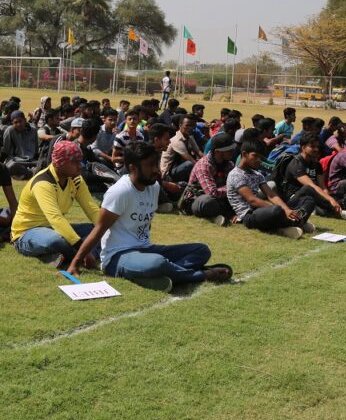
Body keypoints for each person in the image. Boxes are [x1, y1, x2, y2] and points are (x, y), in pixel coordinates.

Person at [67, 142, 232, 292]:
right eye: (150, 166)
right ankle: (199, 275)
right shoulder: (120, 192)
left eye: (156, 164)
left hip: (145, 249)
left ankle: (165, 274)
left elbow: (146, 224)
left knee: (201, 250)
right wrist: (76, 263)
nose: (156, 170)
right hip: (118, 257)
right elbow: (99, 230)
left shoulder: (153, 187)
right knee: (157, 262)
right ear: (133, 168)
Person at [11, 140, 101, 266]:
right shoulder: (43, 183)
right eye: (75, 162)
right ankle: (83, 255)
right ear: (60, 163)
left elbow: (92, 209)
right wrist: (83, 249)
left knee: (101, 230)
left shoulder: (76, 179)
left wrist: (106, 229)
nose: (80, 165)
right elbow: (56, 218)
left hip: (55, 229)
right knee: (56, 240)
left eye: (80, 161)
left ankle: (67, 256)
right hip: (27, 233)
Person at [227, 140, 315, 239]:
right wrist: (283, 211)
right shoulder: (235, 175)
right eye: (255, 156)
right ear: (244, 154)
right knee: (276, 210)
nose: (258, 160)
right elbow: (252, 200)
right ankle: (295, 223)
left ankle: (293, 222)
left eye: (260, 157)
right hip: (249, 216)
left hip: (261, 211)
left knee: (308, 200)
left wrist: (286, 209)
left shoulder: (257, 175)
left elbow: (271, 195)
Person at [279, 132, 346, 221]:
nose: (316, 149)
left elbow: (322, 186)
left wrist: (330, 197)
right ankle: (341, 213)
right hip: (294, 199)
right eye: (312, 146)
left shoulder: (317, 164)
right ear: (303, 147)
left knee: (335, 197)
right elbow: (311, 185)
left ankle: (321, 209)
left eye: (317, 147)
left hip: (312, 197)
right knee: (308, 188)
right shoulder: (296, 163)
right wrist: (330, 200)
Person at [181, 132, 237, 224]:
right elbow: (212, 192)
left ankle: (220, 215)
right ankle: (225, 214)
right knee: (206, 202)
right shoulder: (204, 165)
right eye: (229, 150)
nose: (233, 151)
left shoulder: (229, 164)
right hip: (198, 198)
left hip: (221, 196)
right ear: (217, 152)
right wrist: (233, 188)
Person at [160, 114, 203, 182]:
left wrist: (208, 160)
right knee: (191, 164)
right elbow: (190, 160)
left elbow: (198, 151)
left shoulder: (190, 137)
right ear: (180, 125)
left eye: (193, 126)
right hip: (168, 174)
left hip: (179, 167)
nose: (190, 128)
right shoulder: (176, 140)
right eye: (187, 125)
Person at [2, 110, 38, 178]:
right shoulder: (10, 130)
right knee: (12, 166)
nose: (19, 124)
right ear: (12, 123)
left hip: (31, 161)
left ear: (25, 120)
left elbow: (36, 151)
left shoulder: (33, 130)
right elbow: (5, 151)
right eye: (16, 122)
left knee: (43, 164)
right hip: (15, 161)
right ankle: (30, 173)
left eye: (20, 121)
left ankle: (27, 173)